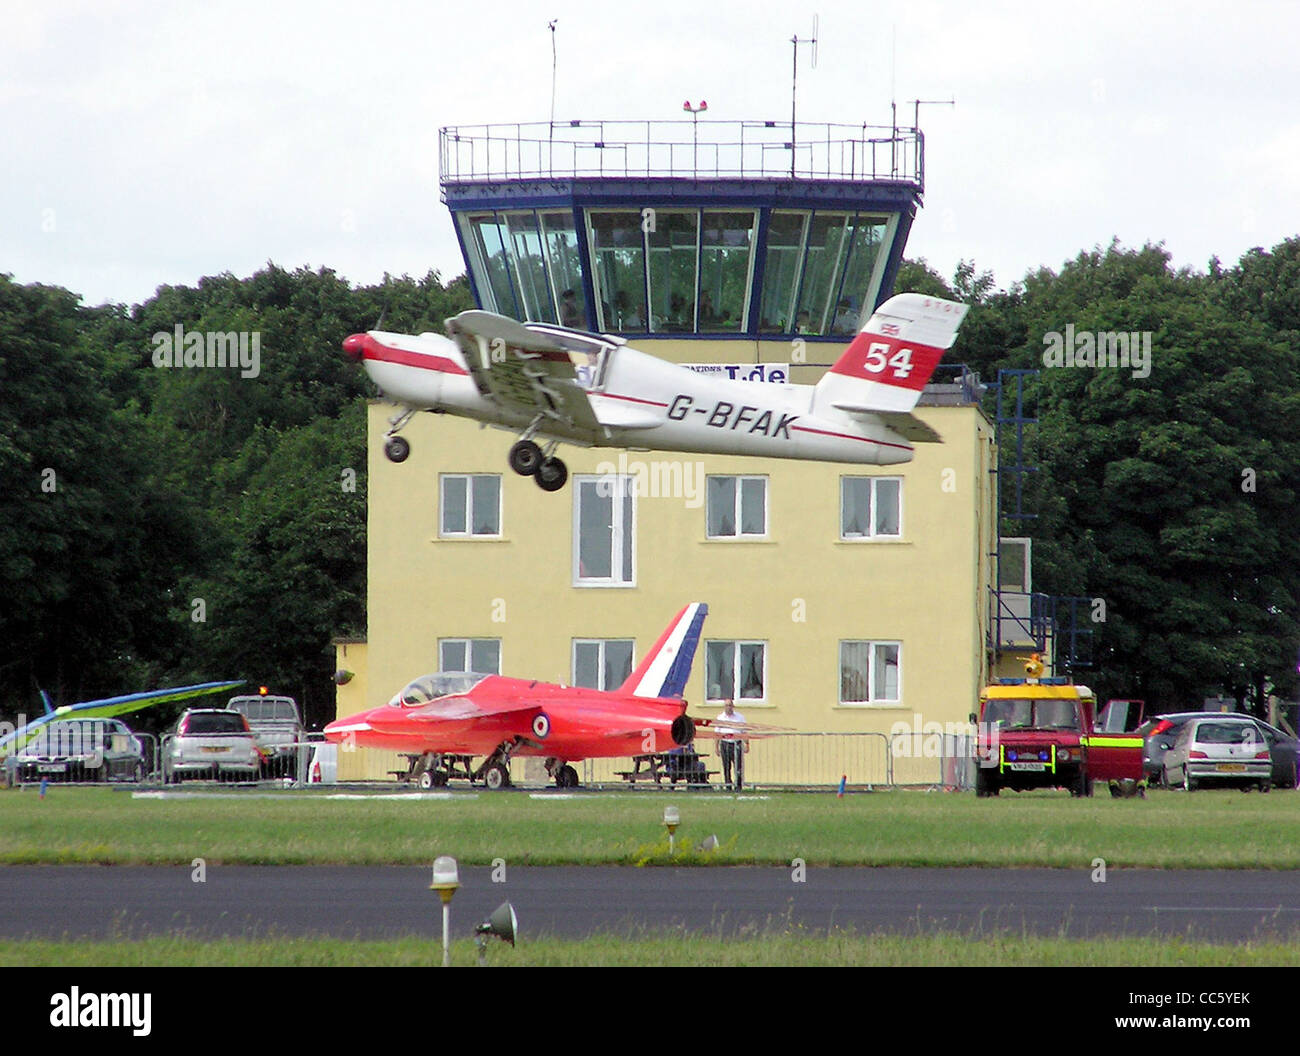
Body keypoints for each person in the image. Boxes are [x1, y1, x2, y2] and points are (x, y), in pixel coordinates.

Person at [716, 698, 747, 791]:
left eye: (730, 705)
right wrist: (716, 747)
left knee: (738, 766)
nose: (728, 707)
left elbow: (744, 732)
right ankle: (728, 786)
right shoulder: (720, 718)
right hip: (725, 744)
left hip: (736, 743)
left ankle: (738, 786)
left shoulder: (739, 717)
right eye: (726, 705)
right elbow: (717, 733)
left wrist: (747, 744)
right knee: (726, 766)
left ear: (733, 706)